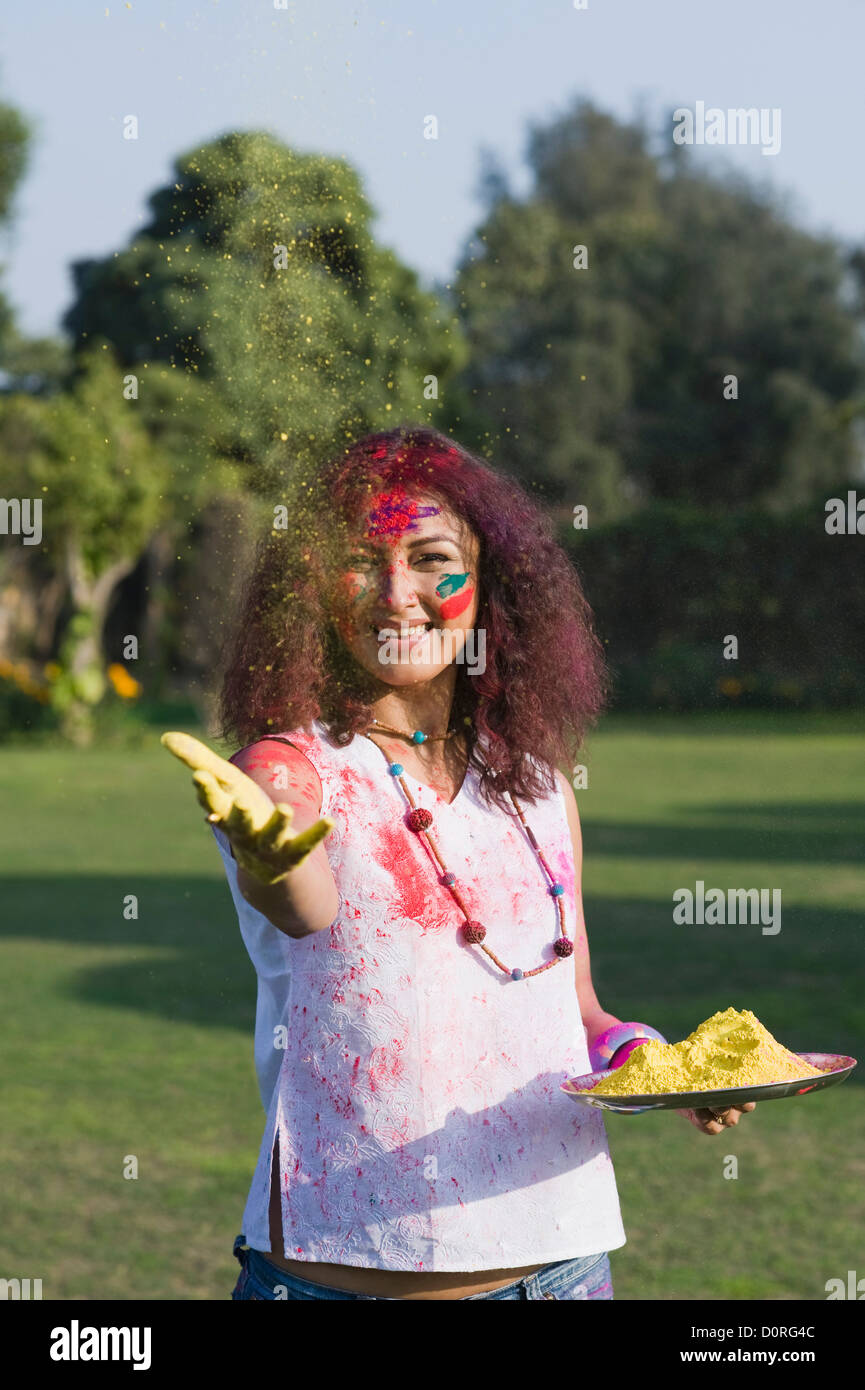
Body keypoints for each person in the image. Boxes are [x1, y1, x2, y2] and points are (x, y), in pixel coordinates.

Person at [165, 425, 755, 1301]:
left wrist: (654, 1064)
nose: (395, 594)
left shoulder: (538, 785)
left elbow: (575, 1007)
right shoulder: (288, 769)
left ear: (491, 586)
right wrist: (271, 853)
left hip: (563, 1273)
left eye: (430, 559)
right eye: (360, 562)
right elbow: (304, 902)